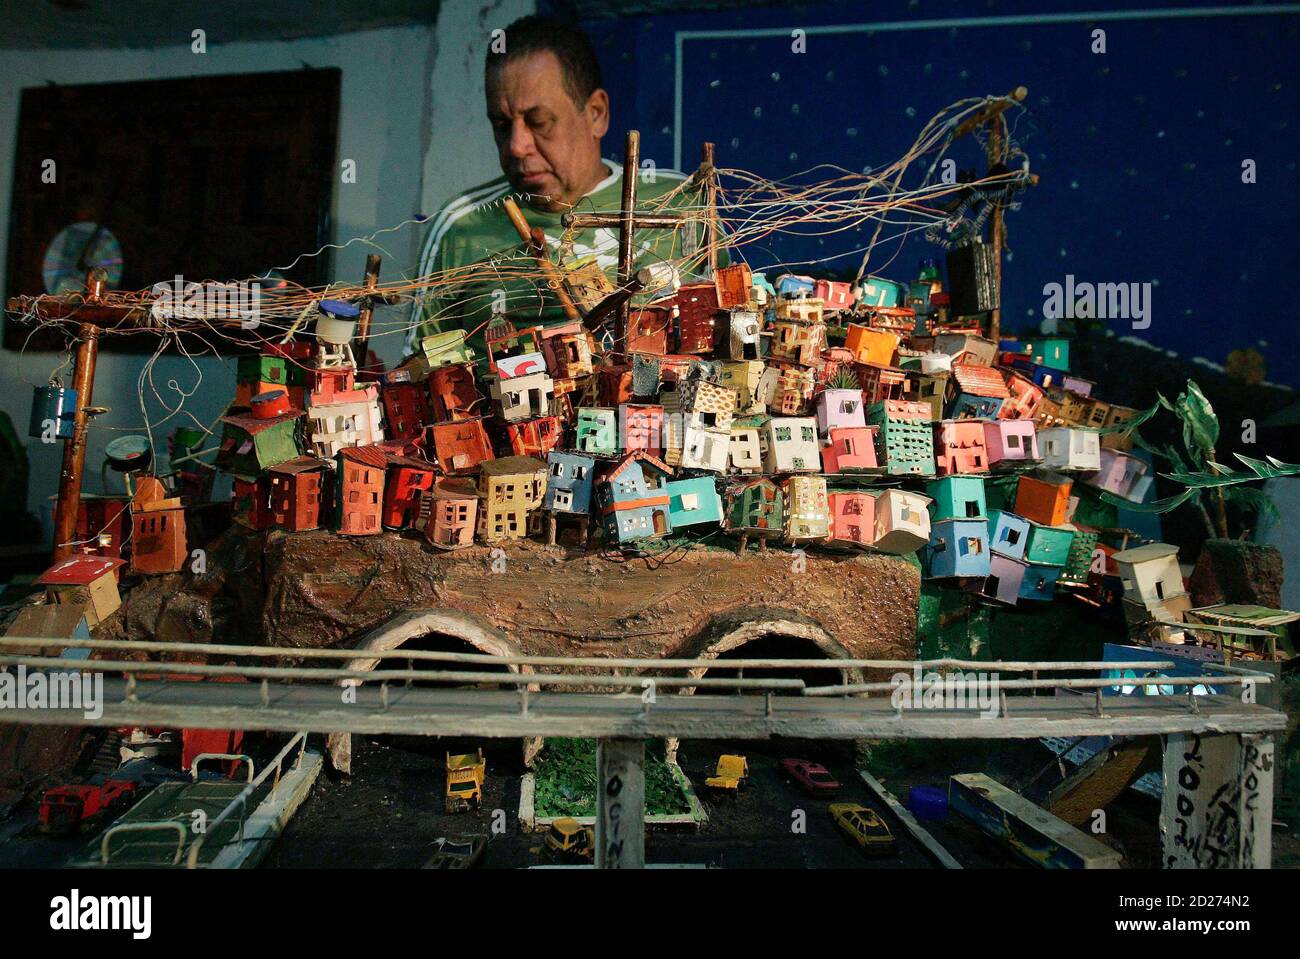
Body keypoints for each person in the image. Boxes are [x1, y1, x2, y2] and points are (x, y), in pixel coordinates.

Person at [407, 15, 714, 361]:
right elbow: (425, 368)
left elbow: (721, 336)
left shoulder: (682, 201)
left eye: (539, 122)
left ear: (596, 114)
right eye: (502, 125)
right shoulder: (459, 227)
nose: (516, 146)